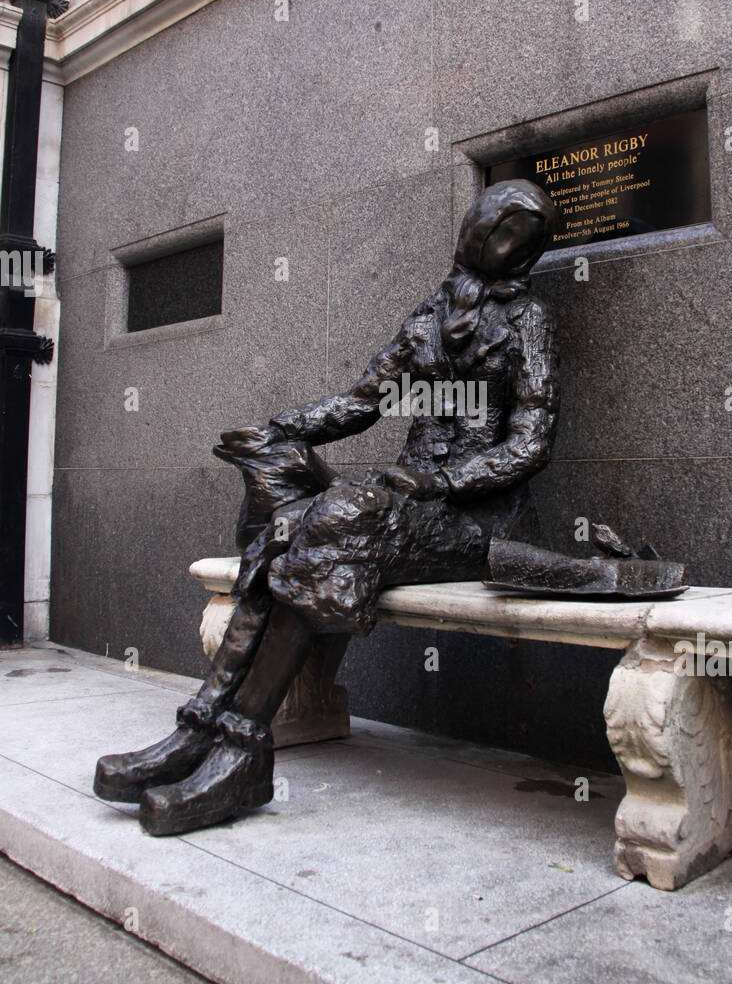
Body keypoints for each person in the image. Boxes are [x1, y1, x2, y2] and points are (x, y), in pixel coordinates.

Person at [94, 179, 560, 835]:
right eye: (495, 225)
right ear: (471, 227)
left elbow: (532, 441)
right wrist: (279, 430)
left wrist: (445, 482)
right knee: (289, 520)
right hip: (413, 504)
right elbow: (360, 402)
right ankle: (199, 731)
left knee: (344, 512)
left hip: (480, 520)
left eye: (519, 236)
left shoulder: (527, 322)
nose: (501, 241)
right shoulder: (428, 317)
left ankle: (240, 751)